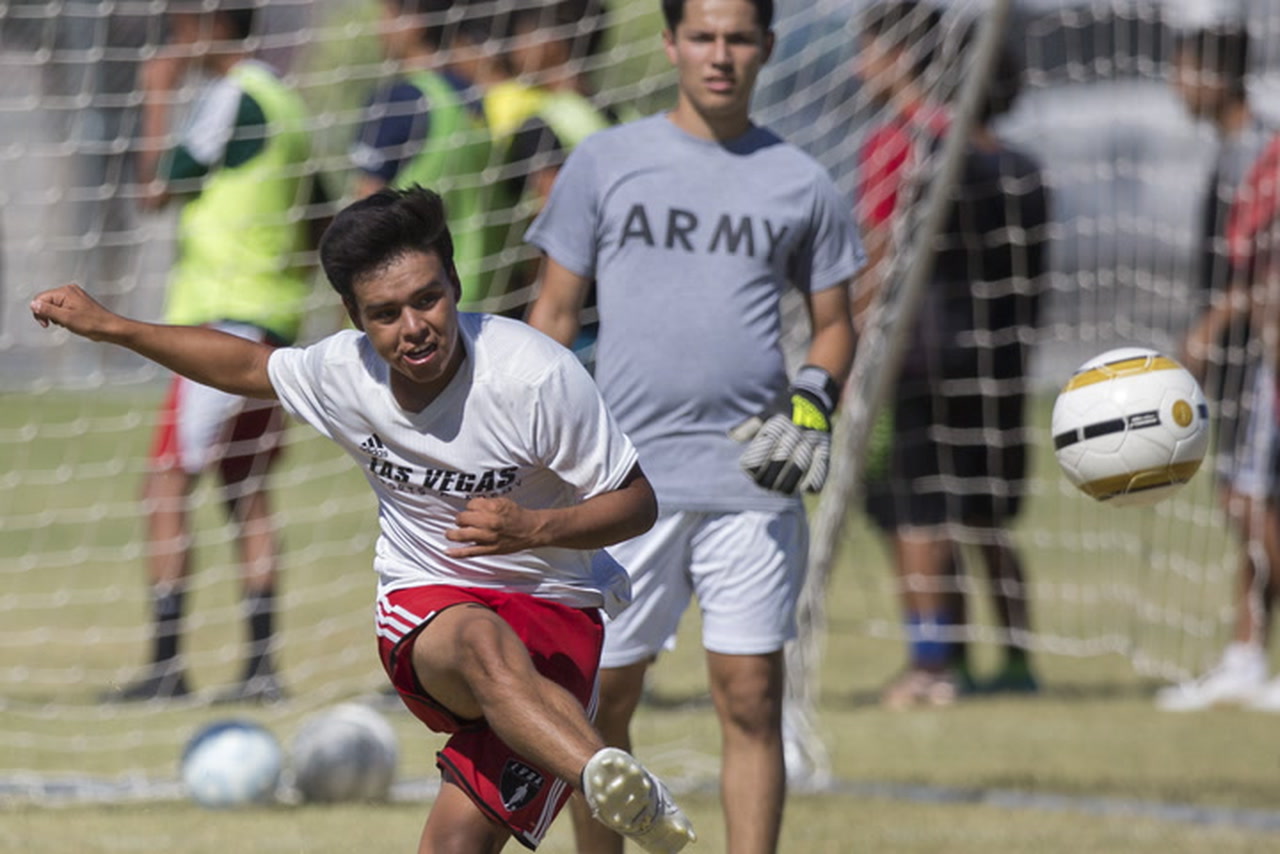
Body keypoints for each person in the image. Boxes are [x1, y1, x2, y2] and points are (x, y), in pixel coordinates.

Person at [30, 186, 696, 854]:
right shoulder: (343, 373)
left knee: (452, 847)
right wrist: (113, 325)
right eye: (384, 314)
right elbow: (243, 364)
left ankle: (608, 780)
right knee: (481, 644)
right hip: (429, 602)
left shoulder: (533, 374)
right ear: (353, 317)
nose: (413, 328)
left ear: (454, 282)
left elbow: (637, 503)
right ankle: (602, 775)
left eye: (427, 299)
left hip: (555, 609)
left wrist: (534, 528)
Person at [525, 0, 862, 849]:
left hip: (752, 480)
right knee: (602, 700)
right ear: (671, 43)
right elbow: (554, 314)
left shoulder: (801, 180)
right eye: (703, 37)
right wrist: (521, 442)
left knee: (750, 696)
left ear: (766, 49)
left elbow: (834, 323)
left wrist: (814, 400)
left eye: (739, 38)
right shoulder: (605, 162)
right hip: (622, 485)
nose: (721, 56)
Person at [114, 0, 325, 703]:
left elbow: (152, 188)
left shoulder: (230, 97)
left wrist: (155, 94)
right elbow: (320, 215)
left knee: (166, 480)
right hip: (271, 323)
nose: (172, 36)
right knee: (247, 493)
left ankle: (168, 664)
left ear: (208, 26)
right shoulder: (284, 102)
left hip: (221, 329)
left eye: (178, 23)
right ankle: (261, 668)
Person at [852, 2, 1049, 707]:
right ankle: (1017, 662)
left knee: (916, 516)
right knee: (986, 518)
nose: (857, 68)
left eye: (867, 51)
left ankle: (932, 665)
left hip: (919, 361)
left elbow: (879, 261)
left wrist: (851, 353)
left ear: (901, 56)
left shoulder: (897, 143)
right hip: (999, 364)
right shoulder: (1013, 159)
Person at [1154, 22, 1280, 712]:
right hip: (1242, 358)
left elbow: (1261, 263)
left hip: (1260, 357)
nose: (1174, 86)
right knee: (1246, 500)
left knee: (1249, 501)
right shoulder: (1234, 149)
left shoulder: (1261, 151)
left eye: (1181, 71)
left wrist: (1207, 331)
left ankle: (1249, 651)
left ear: (1215, 75)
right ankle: (1246, 651)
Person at [350, 0, 502, 309]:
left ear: (415, 20)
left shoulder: (401, 99)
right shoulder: (473, 100)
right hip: (475, 295)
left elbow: (365, 210)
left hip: (407, 303)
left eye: (388, 14)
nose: (380, 27)